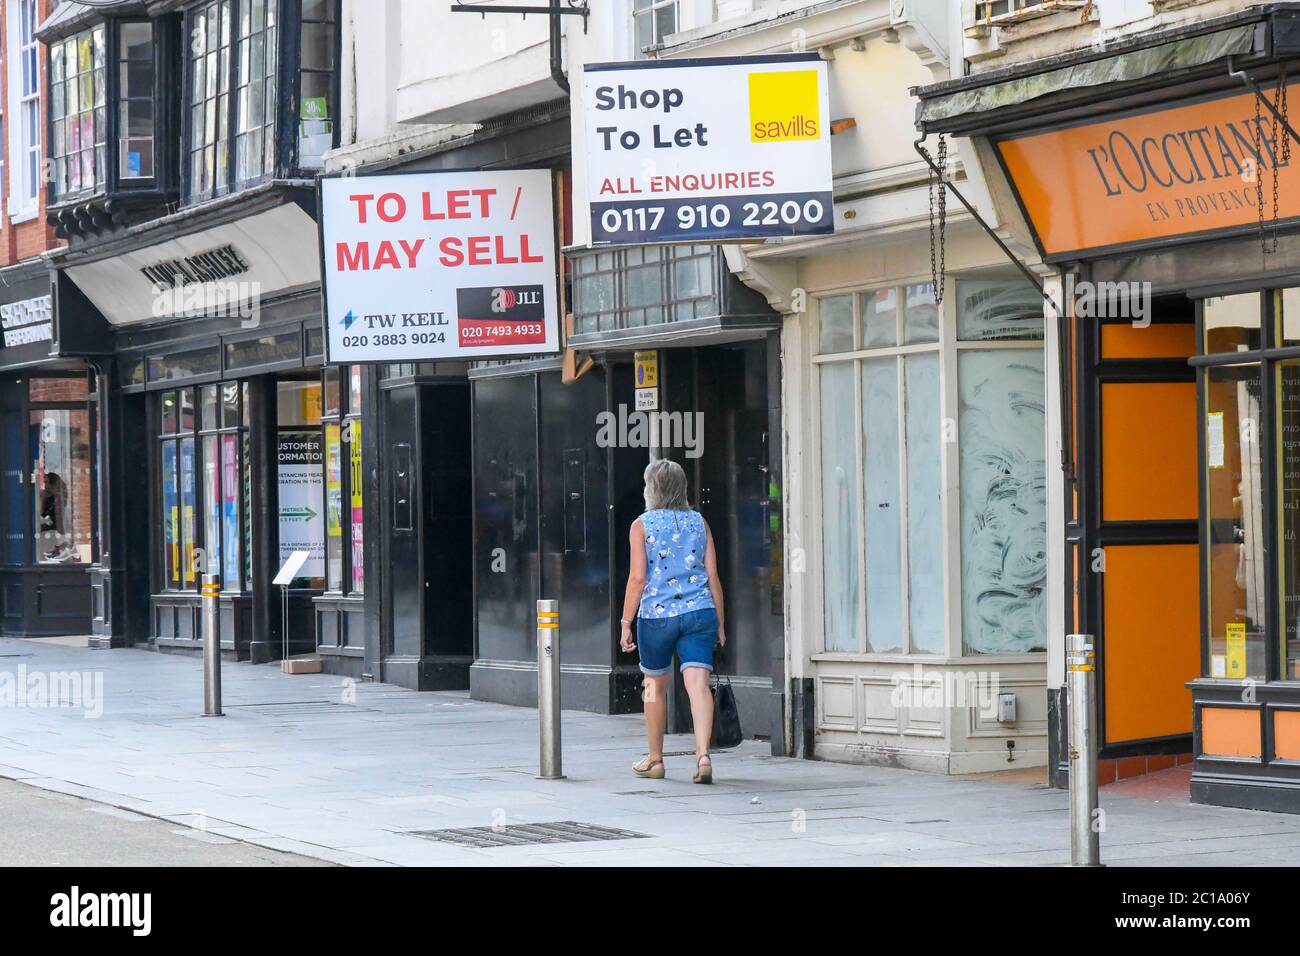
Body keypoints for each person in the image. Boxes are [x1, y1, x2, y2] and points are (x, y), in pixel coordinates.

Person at [619, 458, 725, 784]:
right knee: (697, 685)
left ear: (652, 489)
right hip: (699, 613)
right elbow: (712, 575)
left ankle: (655, 760)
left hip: (656, 617)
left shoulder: (641, 525)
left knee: (654, 686)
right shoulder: (700, 523)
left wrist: (625, 621)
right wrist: (720, 622)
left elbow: (638, 578)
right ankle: (703, 755)